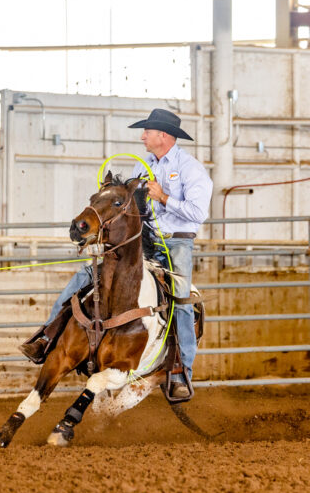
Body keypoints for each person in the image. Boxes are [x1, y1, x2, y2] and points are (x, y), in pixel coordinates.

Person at [19, 108, 212, 401]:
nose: (142, 136)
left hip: (176, 244)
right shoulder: (143, 167)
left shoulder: (191, 169)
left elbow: (198, 212)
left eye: (147, 131)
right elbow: (128, 208)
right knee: (85, 275)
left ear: (163, 135)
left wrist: (163, 198)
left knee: (182, 300)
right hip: (142, 240)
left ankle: (180, 371)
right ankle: (47, 337)